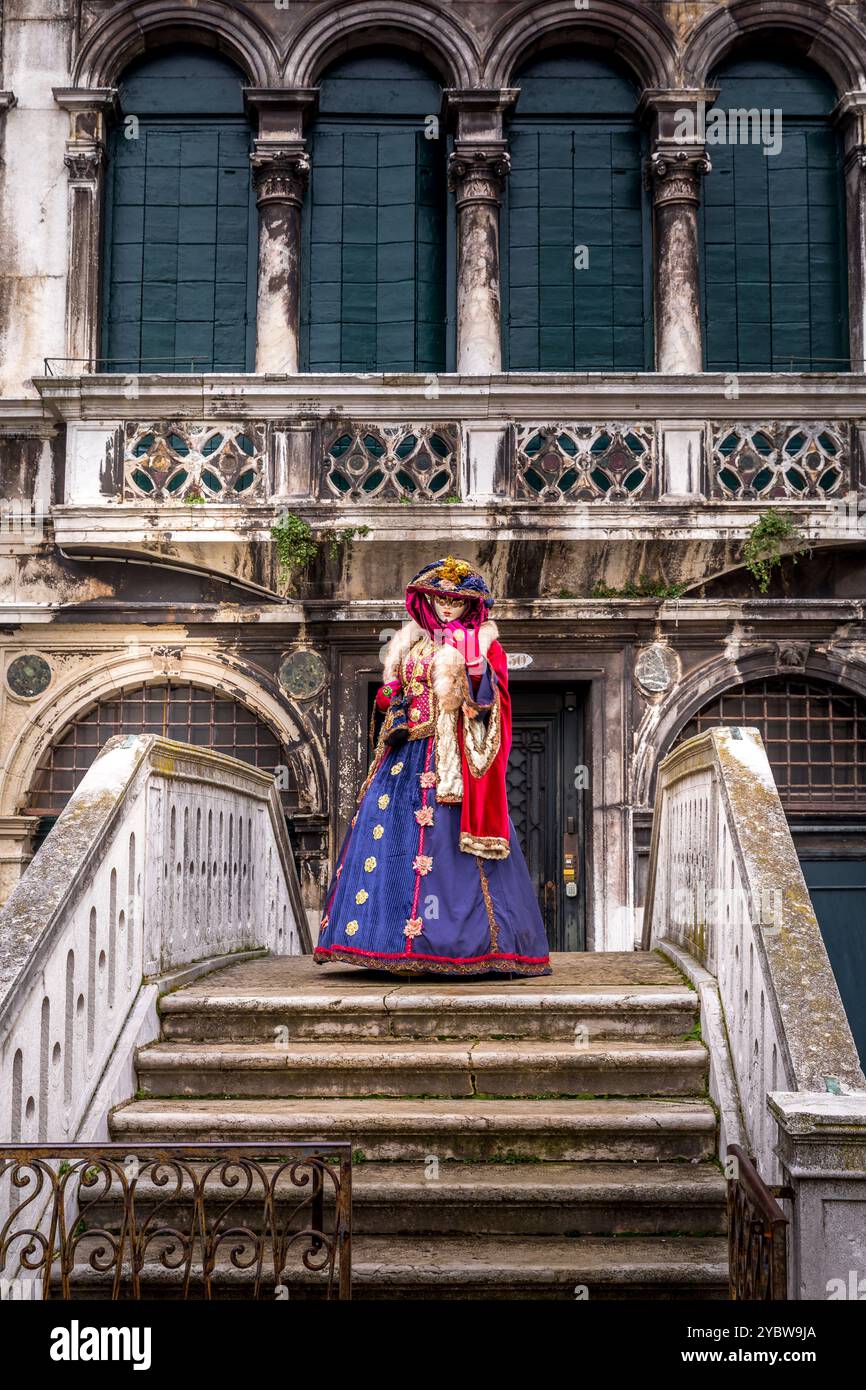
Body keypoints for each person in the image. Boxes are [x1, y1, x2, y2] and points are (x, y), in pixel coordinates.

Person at [313, 556, 552, 978]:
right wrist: (391, 698)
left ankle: (458, 947)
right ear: (426, 600)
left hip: (449, 761)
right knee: (392, 843)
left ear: (468, 606)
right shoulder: (410, 643)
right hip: (404, 758)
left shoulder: (480, 643)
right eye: (439, 599)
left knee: (442, 845)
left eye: (456, 602)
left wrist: (476, 672)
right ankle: (385, 944)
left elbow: (488, 705)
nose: (447, 608)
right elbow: (392, 698)